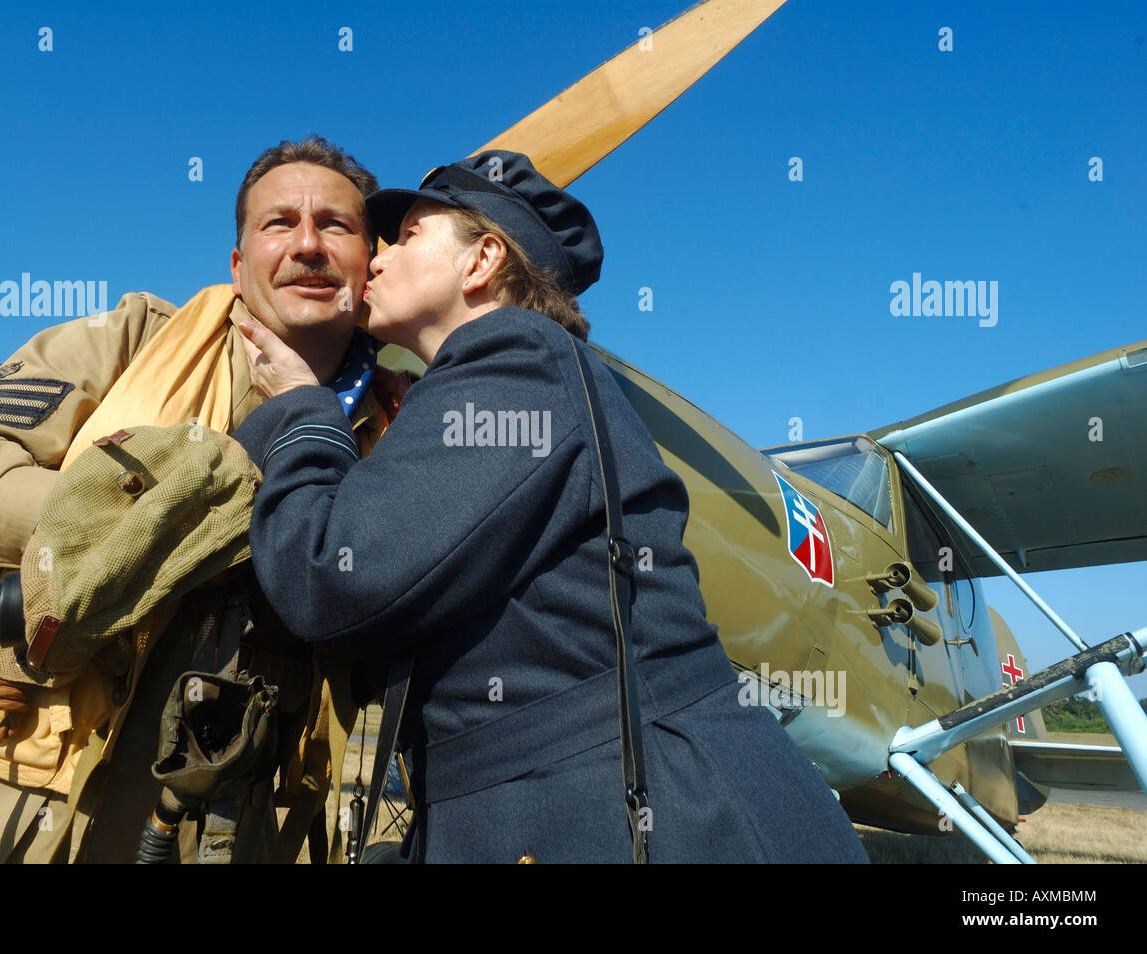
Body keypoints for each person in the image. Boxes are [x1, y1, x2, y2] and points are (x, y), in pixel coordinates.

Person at [232, 150, 870, 862]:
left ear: (481, 263)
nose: (376, 261)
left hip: (652, 818)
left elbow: (331, 581)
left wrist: (300, 412)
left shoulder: (516, 358)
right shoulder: (515, 378)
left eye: (408, 237)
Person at [0, 136, 389, 864]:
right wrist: (138, 531)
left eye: (336, 225)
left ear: (371, 260)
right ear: (237, 265)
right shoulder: (135, 342)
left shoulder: (392, 438)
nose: (307, 245)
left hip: (219, 831)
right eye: (278, 223)